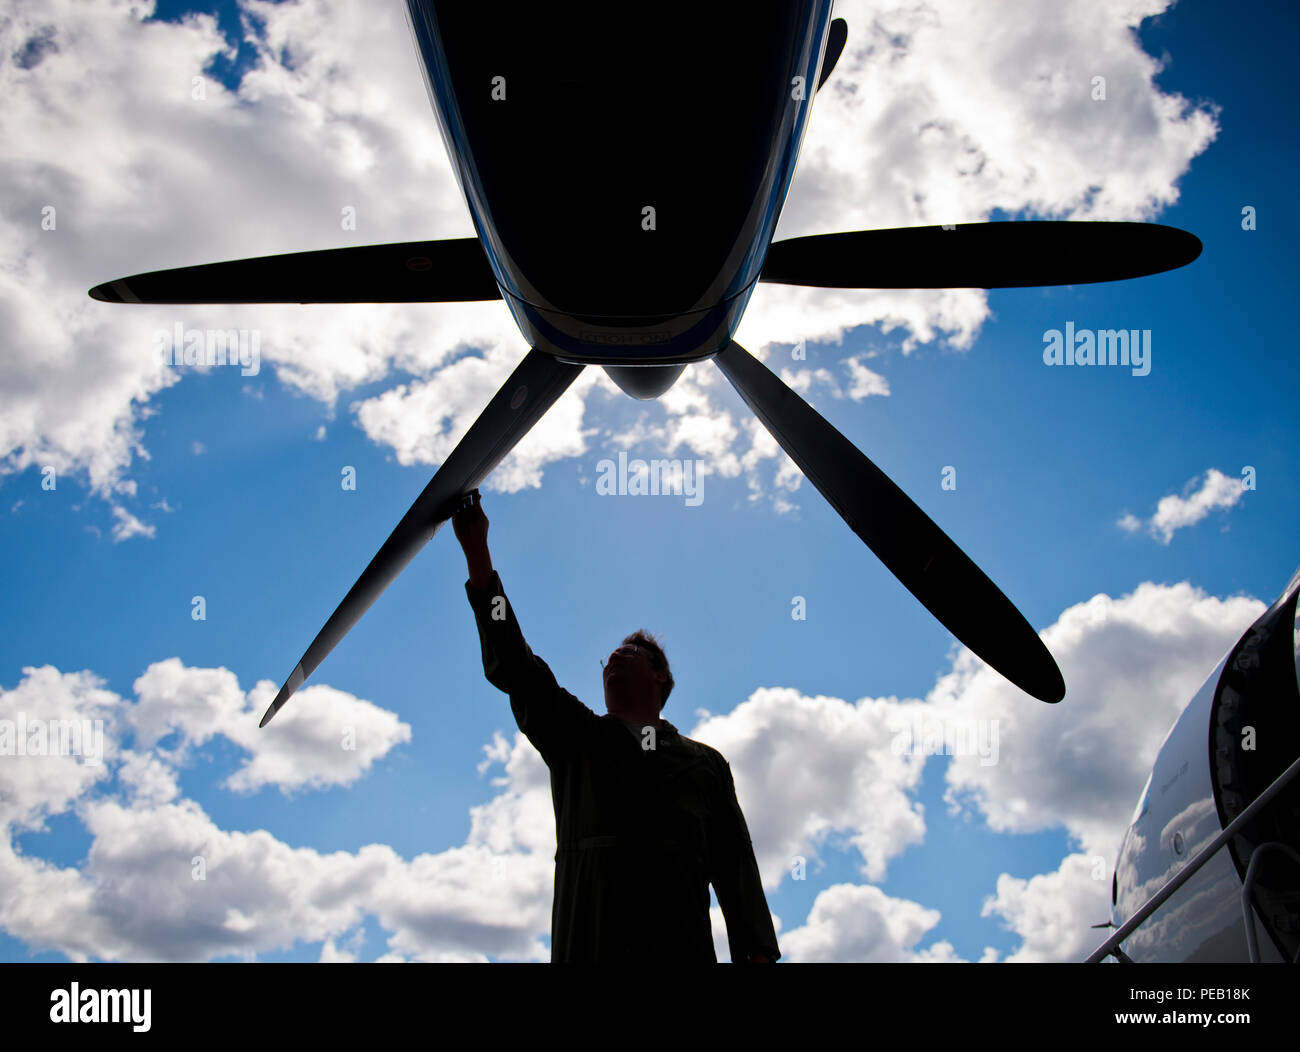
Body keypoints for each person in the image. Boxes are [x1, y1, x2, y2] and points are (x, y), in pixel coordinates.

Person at [452, 488, 780, 963]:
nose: (616, 657)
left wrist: (757, 955)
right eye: (610, 656)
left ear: (661, 677)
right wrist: (478, 557)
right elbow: (518, 668)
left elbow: (737, 869)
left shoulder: (706, 765)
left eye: (633, 653)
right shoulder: (577, 740)